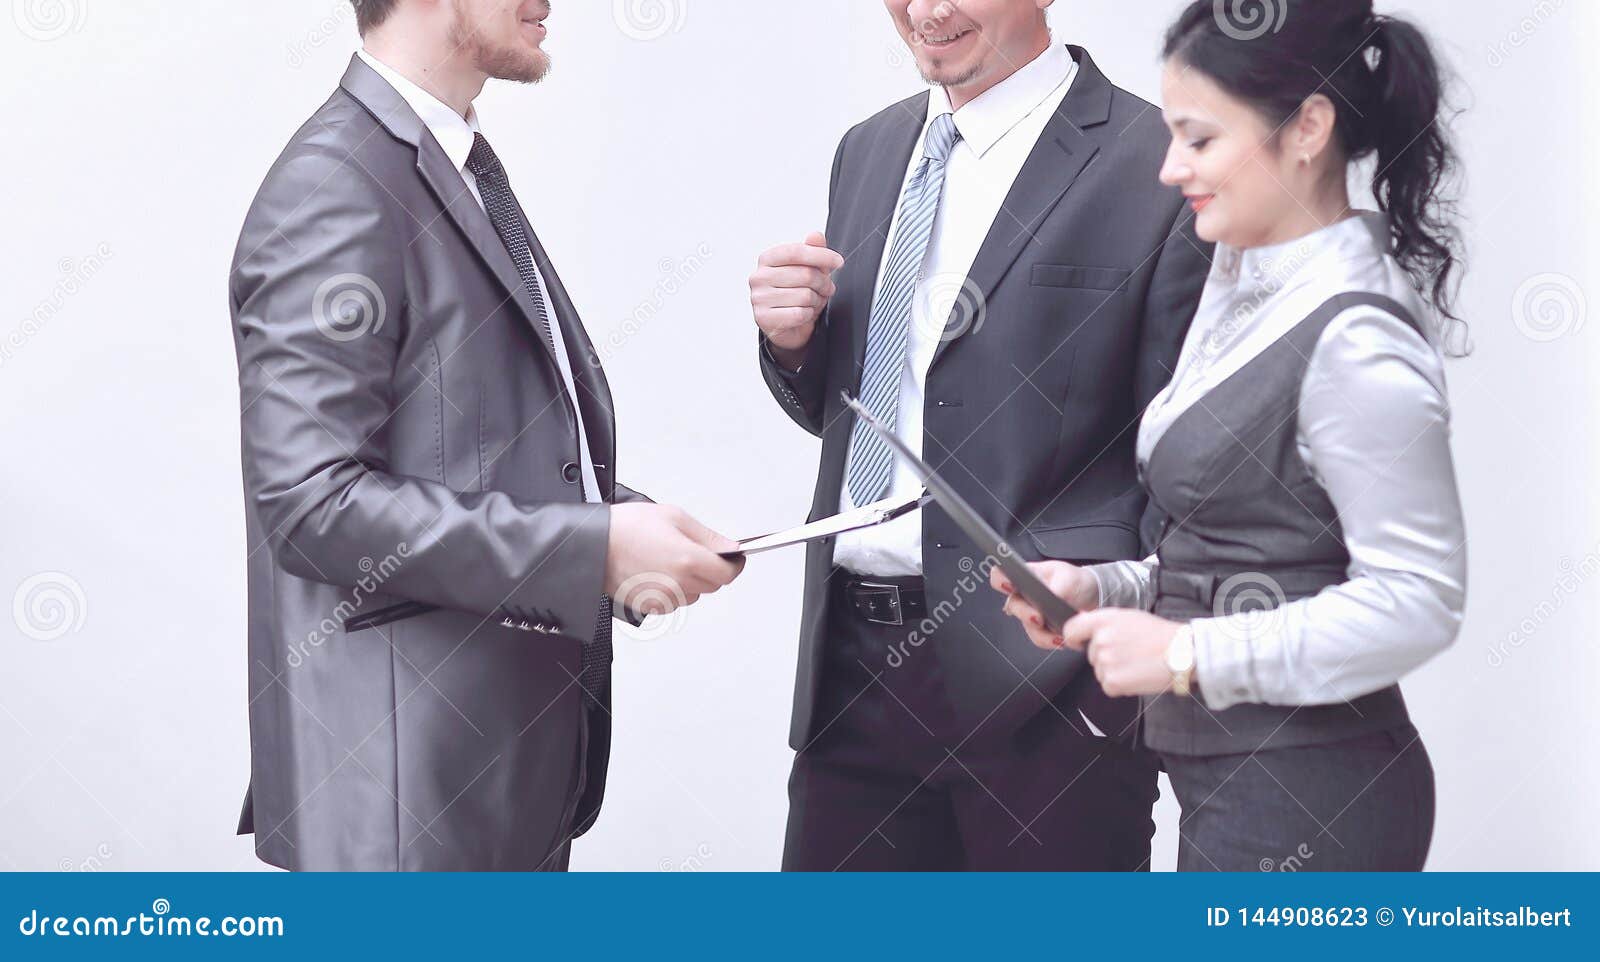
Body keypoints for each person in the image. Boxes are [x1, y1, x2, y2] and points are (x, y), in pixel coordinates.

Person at [229, 0, 742, 871]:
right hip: (405, 807)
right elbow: (309, 503)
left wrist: (622, 525)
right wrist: (591, 549)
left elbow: (463, 451)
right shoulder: (336, 185)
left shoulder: (449, 160)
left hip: (493, 782)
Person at [993, 0, 1467, 871]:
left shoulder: (1356, 339)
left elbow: (1419, 601)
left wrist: (1182, 652)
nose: (1170, 168)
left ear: (1308, 129)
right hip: (1229, 784)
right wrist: (1107, 591)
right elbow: (1239, 547)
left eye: (1200, 140)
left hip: (1315, 800)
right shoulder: (1242, 278)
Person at [752, 0, 1211, 870]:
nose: (926, 10)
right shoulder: (870, 147)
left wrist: (1120, 668)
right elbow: (857, 417)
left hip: (1049, 695)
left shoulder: (1158, 162)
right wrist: (793, 344)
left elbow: (1186, 464)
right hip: (852, 675)